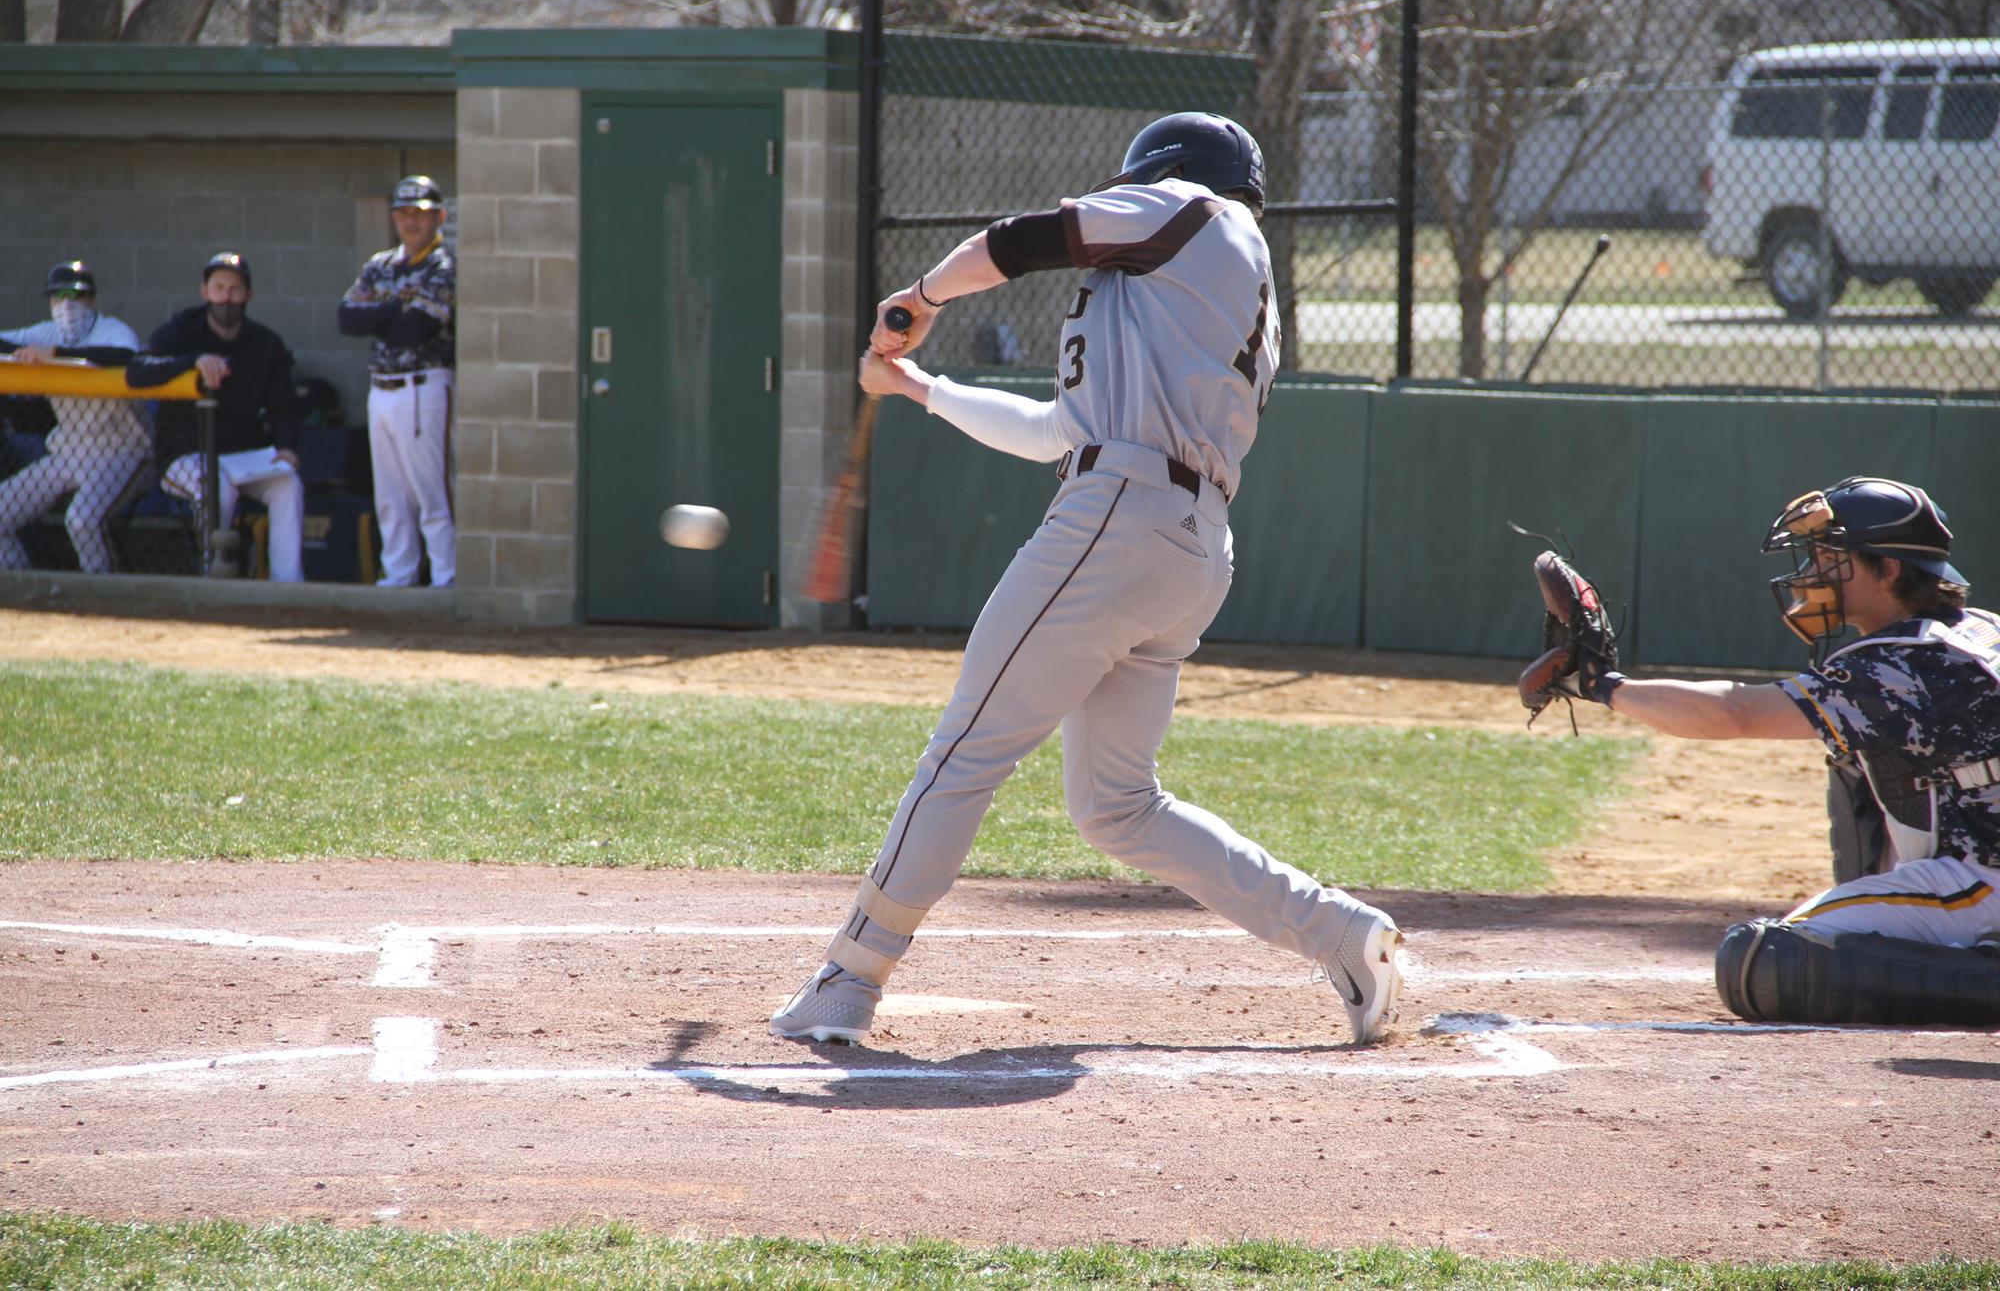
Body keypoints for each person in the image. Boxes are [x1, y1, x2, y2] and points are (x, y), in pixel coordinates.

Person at [770, 113, 1407, 1047]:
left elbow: (1016, 243)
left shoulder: (1193, 212)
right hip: (1183, 543)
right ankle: (1341, 933)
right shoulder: (1191, 297)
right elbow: (1050, 435)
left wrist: (919, 296)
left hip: (1120, 519)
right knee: (1116, 803)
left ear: (1169, 172)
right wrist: (920, 390)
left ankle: (847, 979)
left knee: (964, 751)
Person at [1548, 476, 2000, 1026]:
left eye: (1832, 558)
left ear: (1889, 570)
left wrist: (1602, 685)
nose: (1812, 574)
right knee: (1855, 767)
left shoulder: (1899, 662)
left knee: (1767, 962)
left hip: (1981, 879)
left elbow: (1731, 713)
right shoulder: (1978, 633)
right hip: (1980, 867)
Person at [127, 252, 305, 582]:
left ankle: (288, 585)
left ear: (248, 295)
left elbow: (284, 405)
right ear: (204, 291)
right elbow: (136, 373)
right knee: (217, 488)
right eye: (219, 287)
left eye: (235, 289)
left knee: (287, 484)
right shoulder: (181, 331)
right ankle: (215, 581)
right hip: (184, 456)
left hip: (242, 455)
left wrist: (287, 447)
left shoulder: (265, 343)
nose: (226, 297)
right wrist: (193, 361)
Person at [338, 174, 456, 588]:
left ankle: (446, 576)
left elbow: (416, 330)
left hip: (424, 386)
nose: (411, 222)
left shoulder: (443, 266)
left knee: (432, 493)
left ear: (439, 217)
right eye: (403, 214)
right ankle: (399, 573)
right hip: (382, 389)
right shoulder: (380, 264)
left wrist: (381, 314)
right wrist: (394, 308)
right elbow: (346, 318)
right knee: (390, 496)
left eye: (420, 214)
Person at [0, 261, 146, 573]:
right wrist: (25, 352)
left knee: (82, 520)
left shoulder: (111, 330)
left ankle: (101, 592)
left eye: (75, 297)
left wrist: (54, 356)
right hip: (68, 450)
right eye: (58, 297)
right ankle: (22, 587)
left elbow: (125, 356)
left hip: (123, 451)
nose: (67, 306)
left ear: (92, 301)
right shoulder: (46, 332)